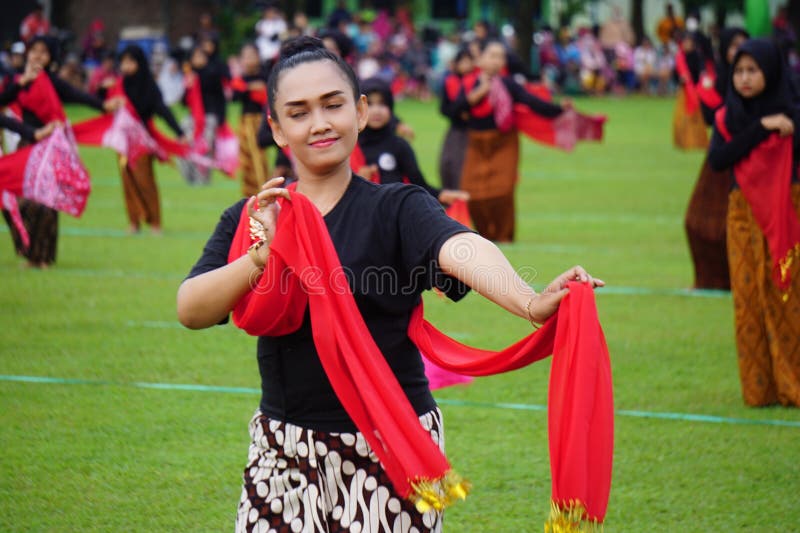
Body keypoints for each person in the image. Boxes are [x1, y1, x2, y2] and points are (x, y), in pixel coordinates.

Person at [176, 36, 602, 532]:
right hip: (283, 451)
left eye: (333, 105)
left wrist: (527, 301)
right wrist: (261, 257)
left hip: (392, 445)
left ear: (359, 112)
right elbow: (192, 308)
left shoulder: (397, 207)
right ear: (276, 128)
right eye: (299, 112)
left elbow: (460, 247)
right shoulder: (253, 217)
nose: (319, 123)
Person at [707, 39, 800, 407]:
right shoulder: (727, 117)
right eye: (739, 71)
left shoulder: (793, 114)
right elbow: (719, 159)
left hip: (787, 210)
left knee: (788, 295)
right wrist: (762, 127)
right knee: (748, 300)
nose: (744, 78)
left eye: (753, 71)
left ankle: (793, 383)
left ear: (771, 72)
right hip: (743, 214)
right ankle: (760, 389)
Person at [0, 36, 113, 267]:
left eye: (44, 52)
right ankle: (27, 249)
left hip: (49, 148)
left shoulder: (53, 82)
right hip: (26, 146)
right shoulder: (17, 80)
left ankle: (42, 257)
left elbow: (78, 95)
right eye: (34, 50)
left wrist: (103, 106)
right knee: (17, 201)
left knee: (45, 204)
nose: (37, 55)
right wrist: (22, 82)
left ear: (51, 57)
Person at [460, 39, 566, 242]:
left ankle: (504, 237)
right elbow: (453, 109)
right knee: (472, 194)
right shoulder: (469, 83)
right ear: (481, 58)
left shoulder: (508, 84)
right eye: (492, 55)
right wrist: (480, 91)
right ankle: (484, 235)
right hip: (476, 144)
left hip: (503, 142)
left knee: (503, 191)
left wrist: (560, 109)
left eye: (500, 56)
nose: (496, 60)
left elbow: (533, 102)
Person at [684, 27, 748, 290]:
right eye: (733, 45)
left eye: (742, 44)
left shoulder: (766, 87)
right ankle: (712, 279)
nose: (738, 51)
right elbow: (710, 117)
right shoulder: (719, 78)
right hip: (720, 157)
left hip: (749, 161)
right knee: (699, 222)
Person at [358, 77, 467, 204]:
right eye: (370, 104)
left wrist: (443, 195)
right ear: (359, 109)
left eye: (382, 104)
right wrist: (357, 182)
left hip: (394, 213)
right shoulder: (350, 146)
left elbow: (419, 185)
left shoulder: (399, 145)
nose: (376, 110)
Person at [117, 45, 185, 234]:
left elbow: (162, 110)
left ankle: (155, 222)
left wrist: (179, 131)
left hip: (143, 141)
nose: (126, 66)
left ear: (139, 63)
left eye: (130, 62)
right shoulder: (119, 85)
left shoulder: (148, 86)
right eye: (123, 62)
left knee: (145, 180)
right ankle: (134, 222)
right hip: (123, 141)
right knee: (127, 181)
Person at [232, 43, 269, 197]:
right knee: (246, 158)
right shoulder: (242, 79)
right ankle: (249, 194)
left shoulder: (265, 76)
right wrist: (250, 87)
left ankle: (263, 190)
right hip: (246, 121)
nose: (249, 60)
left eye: (252, 55)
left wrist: (250, 88)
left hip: (260, 121)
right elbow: (235, 97)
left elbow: (266, 96)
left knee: (258, 157)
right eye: (246, 56)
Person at [438, 46, 472, 190]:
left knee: (463, 167)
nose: (466, 65)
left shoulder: (476, 80)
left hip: (473, 131)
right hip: (456, 129)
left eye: (468, 61)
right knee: (447, 164)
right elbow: (444, 109)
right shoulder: (450, 81)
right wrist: (459, 112)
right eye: (462, 62)